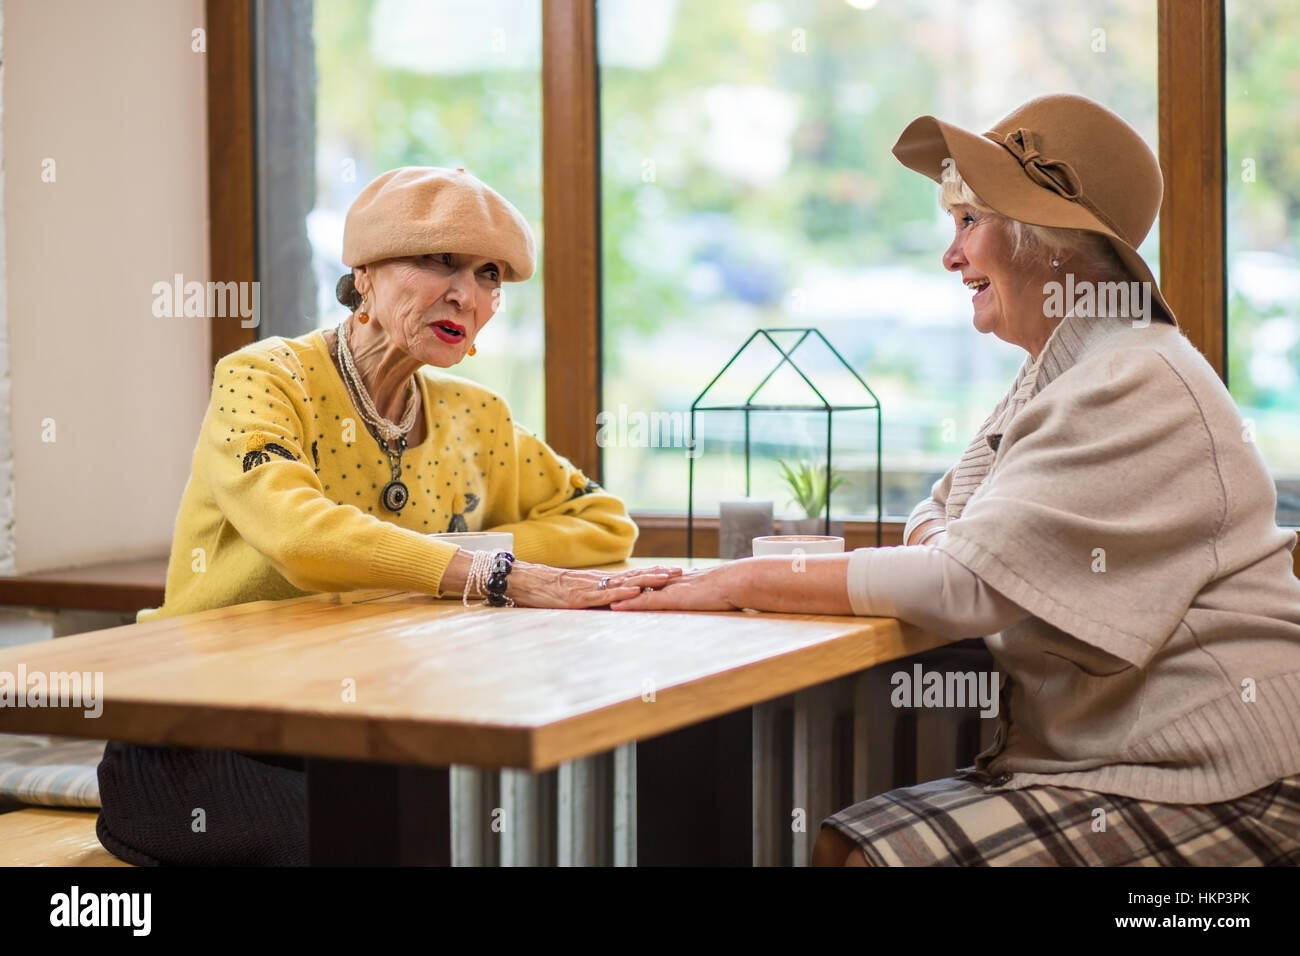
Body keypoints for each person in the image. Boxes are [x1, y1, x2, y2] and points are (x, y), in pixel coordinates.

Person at [613, 94, 1300, 866]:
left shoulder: (1130, 375)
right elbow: (936, 516)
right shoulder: (1062, 369)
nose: (951, 256)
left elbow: (963, 587)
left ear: (1058, 245)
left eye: (970, 222)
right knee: (844, 845)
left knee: (861, 855)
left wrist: (743, 578)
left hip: (1227, 780)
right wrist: (952, 550)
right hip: (1122, 764)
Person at [96, 166, 677, 865]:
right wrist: (476, 572)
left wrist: (459, 553)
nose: (467, 291)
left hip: (376, 721)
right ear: (364, 273)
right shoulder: (264, 378)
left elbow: (603, 520)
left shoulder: (475, 415)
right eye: (439, 261)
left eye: (490, 274)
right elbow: (298, 533)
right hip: (205, 731)